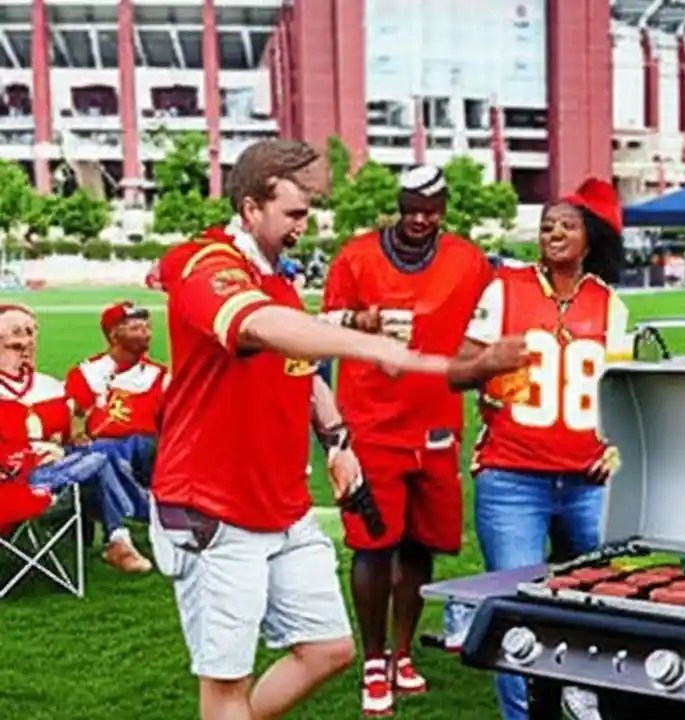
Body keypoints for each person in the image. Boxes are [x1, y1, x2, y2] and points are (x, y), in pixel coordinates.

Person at [146, 139, 525, 720]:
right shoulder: (206, 264)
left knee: (328, 648)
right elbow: (269, 329)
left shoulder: (276, 274)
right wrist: (393, 352)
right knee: (223, 687)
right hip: (211, 509)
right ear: (251, 208)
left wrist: (337, 441)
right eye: (295, 212)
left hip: (280, 503)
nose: (306, 224)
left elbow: (298, 369)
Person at [320, 164, 499, 716]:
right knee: (373, 543)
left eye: (432, 210)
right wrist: (360, 320)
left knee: (422, 542)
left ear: (445, 209)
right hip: (370, 420)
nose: (421, 219)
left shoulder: (468, 260)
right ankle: (374, 661)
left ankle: (402, 651)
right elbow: (321, 327)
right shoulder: (355, 255)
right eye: (412, 209)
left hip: (437, 420)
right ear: (397, 207)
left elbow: (491, 322)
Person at [454, 177, 630, 720]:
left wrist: (619, 446)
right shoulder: (504, 288)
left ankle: (584, 691)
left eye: (566, 225)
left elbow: (624, 398)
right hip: (513, 478)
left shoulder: (610, 305)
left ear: (590, 238)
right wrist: (489, 364)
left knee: (600, 602)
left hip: (587, 481)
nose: (553, 232)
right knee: (515, 610)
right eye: (546, 225)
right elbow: (458, 370)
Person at [0, 305, 151, 573]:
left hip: (57, 477)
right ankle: (142, 520)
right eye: (16, 333)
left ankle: (122, 535)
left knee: (100, 454)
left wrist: (59, 449)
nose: (27, 341)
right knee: (101, 459)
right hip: (14, 481)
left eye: (31, 332)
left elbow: (73, 438)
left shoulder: (50, 386)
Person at [64, 301, 167, 571]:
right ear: (114, 335)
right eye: (135, 328)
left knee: (107, 453)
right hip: (98, 451)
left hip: (145, 450)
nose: (146, 333)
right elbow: (74, 419)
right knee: (102, 454)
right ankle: (125, 534)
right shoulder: (87, 373)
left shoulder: (158, 375)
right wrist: (77, 434)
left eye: (147, 327)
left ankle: (123, 529)